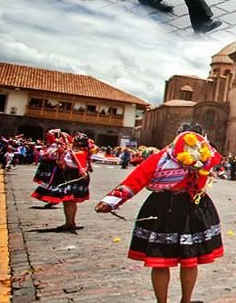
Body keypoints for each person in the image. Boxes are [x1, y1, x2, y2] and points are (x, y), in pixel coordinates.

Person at [95, 130, 223, 303]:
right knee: (165, 260)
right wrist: (111, 201)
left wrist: (111, 201)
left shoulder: (165, 159)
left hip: (179, 208)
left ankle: (181, 301)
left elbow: (138, 177)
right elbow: (137, 179)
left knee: (183, 260)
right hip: (175, 208)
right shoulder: (203, 159)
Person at [31, 130, 90, 233]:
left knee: (69, 201)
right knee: (68, 201)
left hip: (73, 177)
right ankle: (70, 222)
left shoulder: (79, 153)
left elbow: (81, 165)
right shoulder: (72, 151)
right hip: (69, 176)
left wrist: (82, 170)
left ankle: (70, 223)